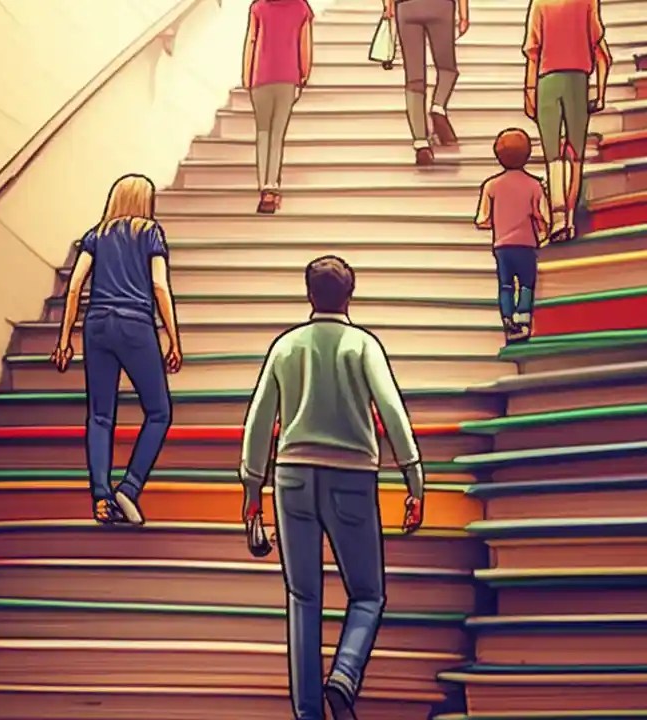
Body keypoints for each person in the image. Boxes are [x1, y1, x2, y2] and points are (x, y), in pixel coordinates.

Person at [239, 256, 426, 720]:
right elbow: (392, 412)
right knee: (367, 593)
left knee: (302, 598)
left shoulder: (285, 347)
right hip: (352, 478)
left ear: (309, 296)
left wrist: (251, 489)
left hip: (291, 478)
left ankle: (307, 713)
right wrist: (413, 479)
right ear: (350, 296)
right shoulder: (362, 345)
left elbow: (260, 420)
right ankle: (344, 674)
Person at [50, 174, 183, 526]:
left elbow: (76, 286)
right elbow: (159, 285)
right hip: (136, 325)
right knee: (158, 412)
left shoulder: (96, 235)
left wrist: (65, 339)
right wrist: (173, 337)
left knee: (99, 416)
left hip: (97, 325)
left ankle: (100, 497)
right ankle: (131, 486)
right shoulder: (150, 232)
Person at [523, 0, 612, 242]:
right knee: (575, 152)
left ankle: (557, 217)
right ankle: (569, 218)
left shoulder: (540, 3)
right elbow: (599, 47)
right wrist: (601, 94)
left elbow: (533, 51)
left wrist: (529, 90)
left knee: (553, 153)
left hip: (547, 81)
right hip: (577, 80)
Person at [475, 128, 549, 343]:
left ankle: (507, 319)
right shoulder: (535, 185)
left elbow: (482, 219)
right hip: (526, 244)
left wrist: (498, 222)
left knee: (505, 284)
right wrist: (543, 232)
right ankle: (524, 319)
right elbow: (541, 215)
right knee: (527, 283)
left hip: (502, 247)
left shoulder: (491, 186)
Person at [242, 0, 315, 214]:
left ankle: (262, 183)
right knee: (277, 133)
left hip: (260, 76)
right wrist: (304, 76)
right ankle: (271, 186)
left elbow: (251, 43)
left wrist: (247, 77)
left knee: (262, 132)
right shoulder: (301, 8)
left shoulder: (258, 8)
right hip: (287, 76)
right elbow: (305, 46)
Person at [385, 0, 469, 165]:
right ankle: (438, 106)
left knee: (414, 78)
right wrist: (464, 14)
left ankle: (420, 142)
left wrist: (388, 5)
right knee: (447, 68)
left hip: (406, 7)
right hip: (441, 6)